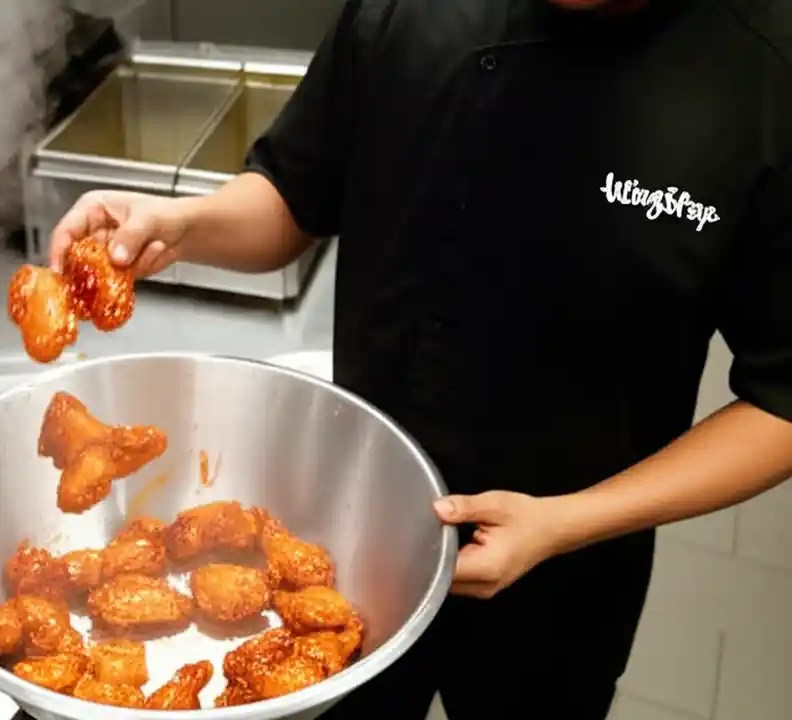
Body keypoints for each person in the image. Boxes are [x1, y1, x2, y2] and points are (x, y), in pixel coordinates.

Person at [48, 0, 792, 717]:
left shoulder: (765, 74)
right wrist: (181, 225)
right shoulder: (405, 11)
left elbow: (780, 403)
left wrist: (568, 523)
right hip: (350, 528)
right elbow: (295, 195)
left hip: (570, 565)